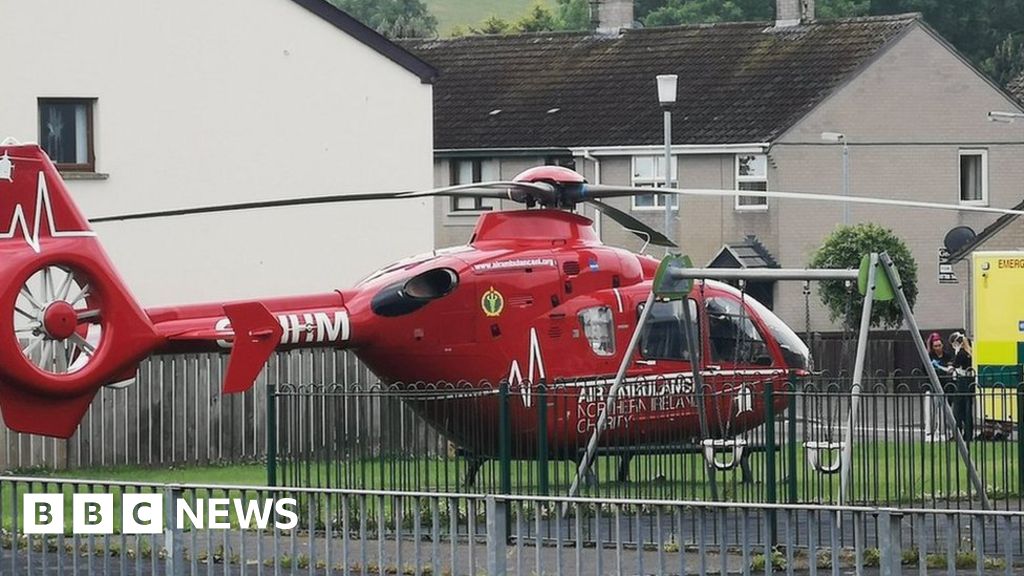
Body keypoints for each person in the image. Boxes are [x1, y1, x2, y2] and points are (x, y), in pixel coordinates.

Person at [949, 331, 975, 439]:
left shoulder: (960, 353)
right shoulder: (969, 351)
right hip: (970, 381)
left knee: (958, 409)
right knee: (967, 409)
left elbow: (954, 365)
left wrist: (950, 367)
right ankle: (968, 434)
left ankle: (957, 433)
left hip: (962, 381)